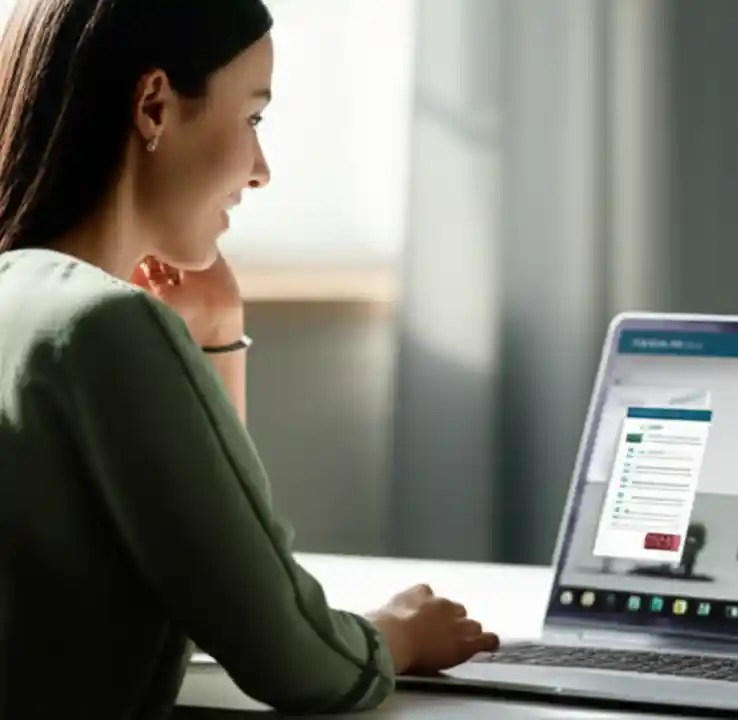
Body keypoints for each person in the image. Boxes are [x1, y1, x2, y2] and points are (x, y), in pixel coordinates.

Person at [0, 1, 497, 717]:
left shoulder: (34, 304)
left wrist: (214, 330)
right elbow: (295, 658)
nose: (261, 171)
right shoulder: (103, 324)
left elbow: (213, 572)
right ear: (154, 106)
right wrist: (400, 634)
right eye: (254, 118)